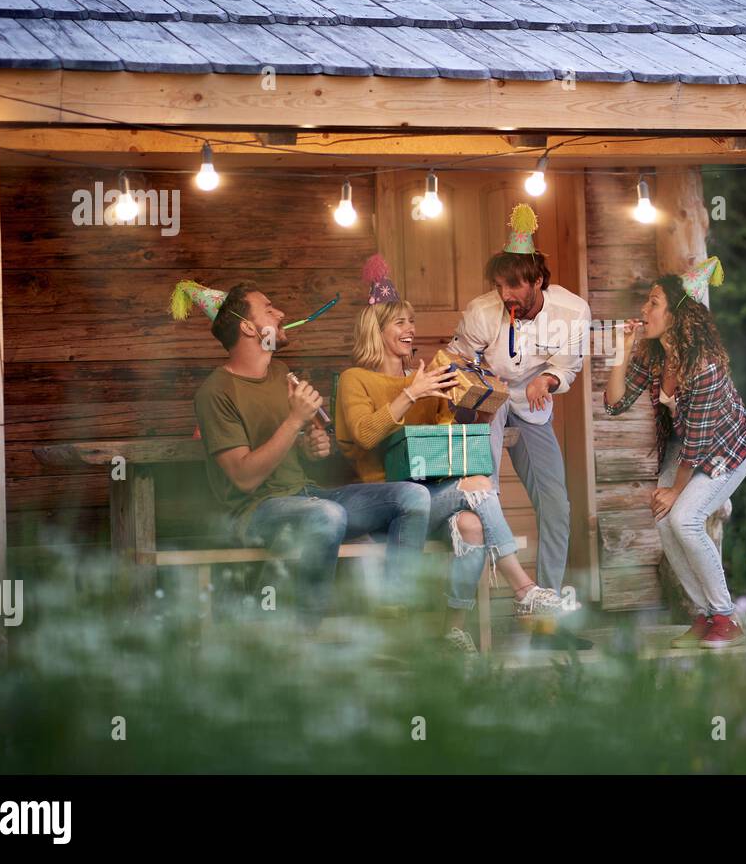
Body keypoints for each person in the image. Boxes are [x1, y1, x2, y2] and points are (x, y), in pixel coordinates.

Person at [336, 256, 565, 653]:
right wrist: (411, 393)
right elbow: (365, 435)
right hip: (387, 505)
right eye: (400, 323)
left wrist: (478, 405)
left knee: (472, 525)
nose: (411, 330)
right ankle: (524, 589)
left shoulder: (424, 378)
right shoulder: (355, 379)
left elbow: (447, 444)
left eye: (411, 321)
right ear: (377, 330)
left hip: (431, 498)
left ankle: (452, 632)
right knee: (477, 484)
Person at [175, 279, 431, 629]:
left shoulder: (281, 374)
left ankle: (396, 617)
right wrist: (295, 420)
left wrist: (310, 446)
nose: (281, 313)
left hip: (305, 495)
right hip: (252, 511)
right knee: (326, 515)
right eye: (269, 309)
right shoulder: (215, 392)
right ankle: (304, 634)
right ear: (248, 327)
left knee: (412, 497)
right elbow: (244, 477)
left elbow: (288, 445)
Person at [449, 203, 593, 650]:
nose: (505, 294)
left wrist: (546, 380)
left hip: (533, 407)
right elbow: (457, 359)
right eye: (499, 286)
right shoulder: (481, 312)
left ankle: (545, 613)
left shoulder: (573, 311)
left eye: (513, 285)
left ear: (537, 281)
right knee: (483, 497)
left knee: (556, 503)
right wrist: (479, 388)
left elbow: (568, 365)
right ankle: (479, 614)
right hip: (488, 404)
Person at [603, 258, 746, 649]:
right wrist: (622, 351)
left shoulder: (705, 367)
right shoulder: (655, 353)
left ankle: (725, 617)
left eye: (654, 303)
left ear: (677, 315)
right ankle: (704, 616)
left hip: (726, 446)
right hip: (686, 444)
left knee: (685, 518)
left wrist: (675, 491)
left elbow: (700, 442)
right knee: (664, 521)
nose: (644, 309)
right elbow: (614, 404)